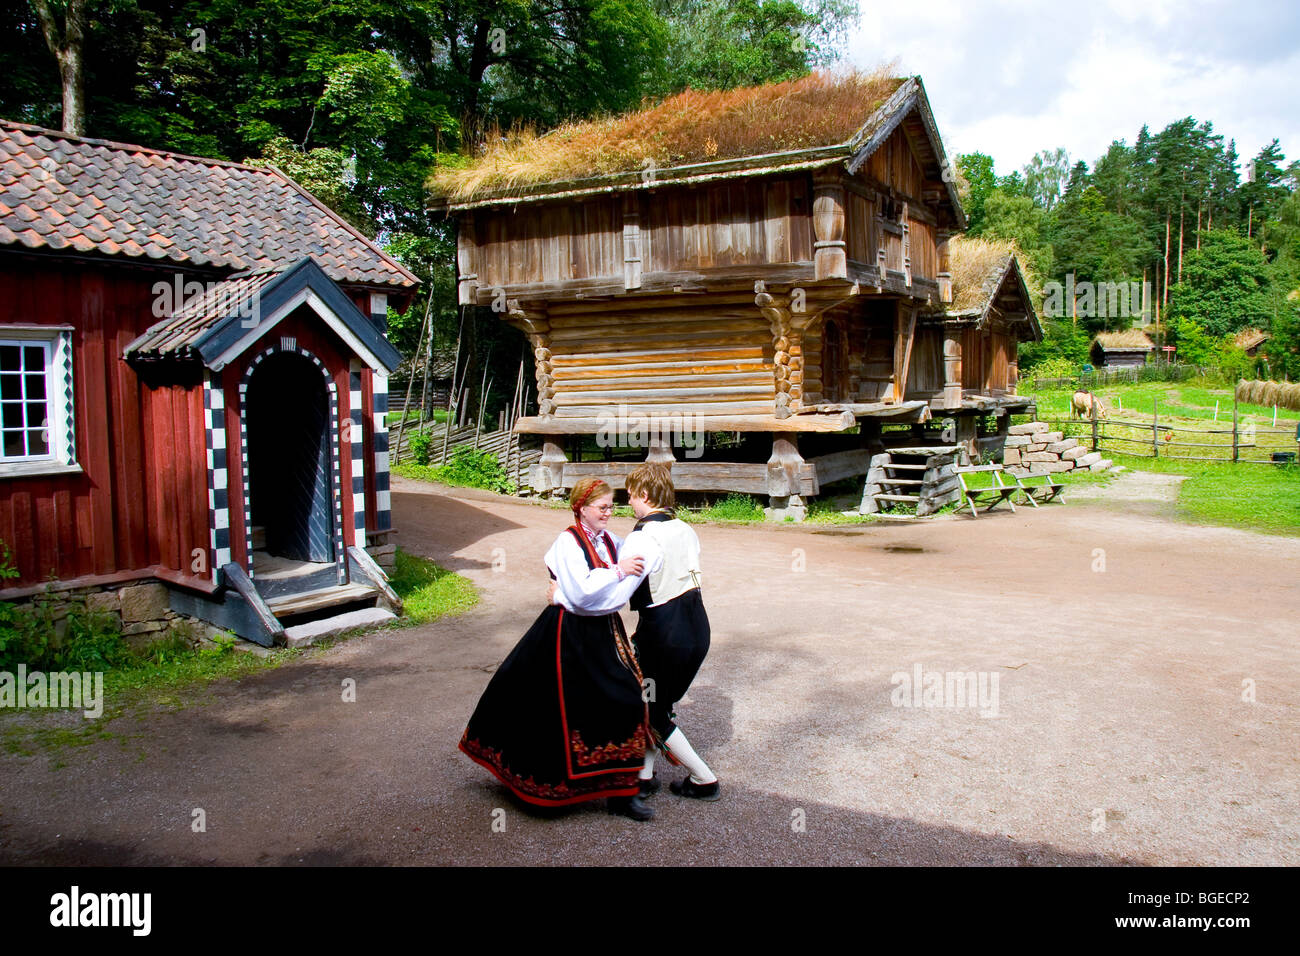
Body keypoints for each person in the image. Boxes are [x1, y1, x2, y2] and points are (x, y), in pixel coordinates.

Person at [458, 477, 658, 821]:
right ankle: (551, 790)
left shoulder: (611, 540)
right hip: (569, 633)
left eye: (612, 506)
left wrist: (624, 568)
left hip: (606, 630)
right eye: (602, 507)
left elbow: (635, 565)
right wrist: (617, 572)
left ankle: (622, 794)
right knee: (560, 708)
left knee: (626, 697)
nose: (609, 513)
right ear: (581, 508)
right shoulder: (568, 542)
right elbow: (581, 593)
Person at [621, 462, 720, 801]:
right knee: (654, 702)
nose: (629, 502)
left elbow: (629, 589)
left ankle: (703, 778)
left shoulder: (642, 536)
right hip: (697, 626)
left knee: (651, 708)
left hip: (665, 632)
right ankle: (645, 775)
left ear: (645, 495)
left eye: (631, 495)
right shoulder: (685, 527)